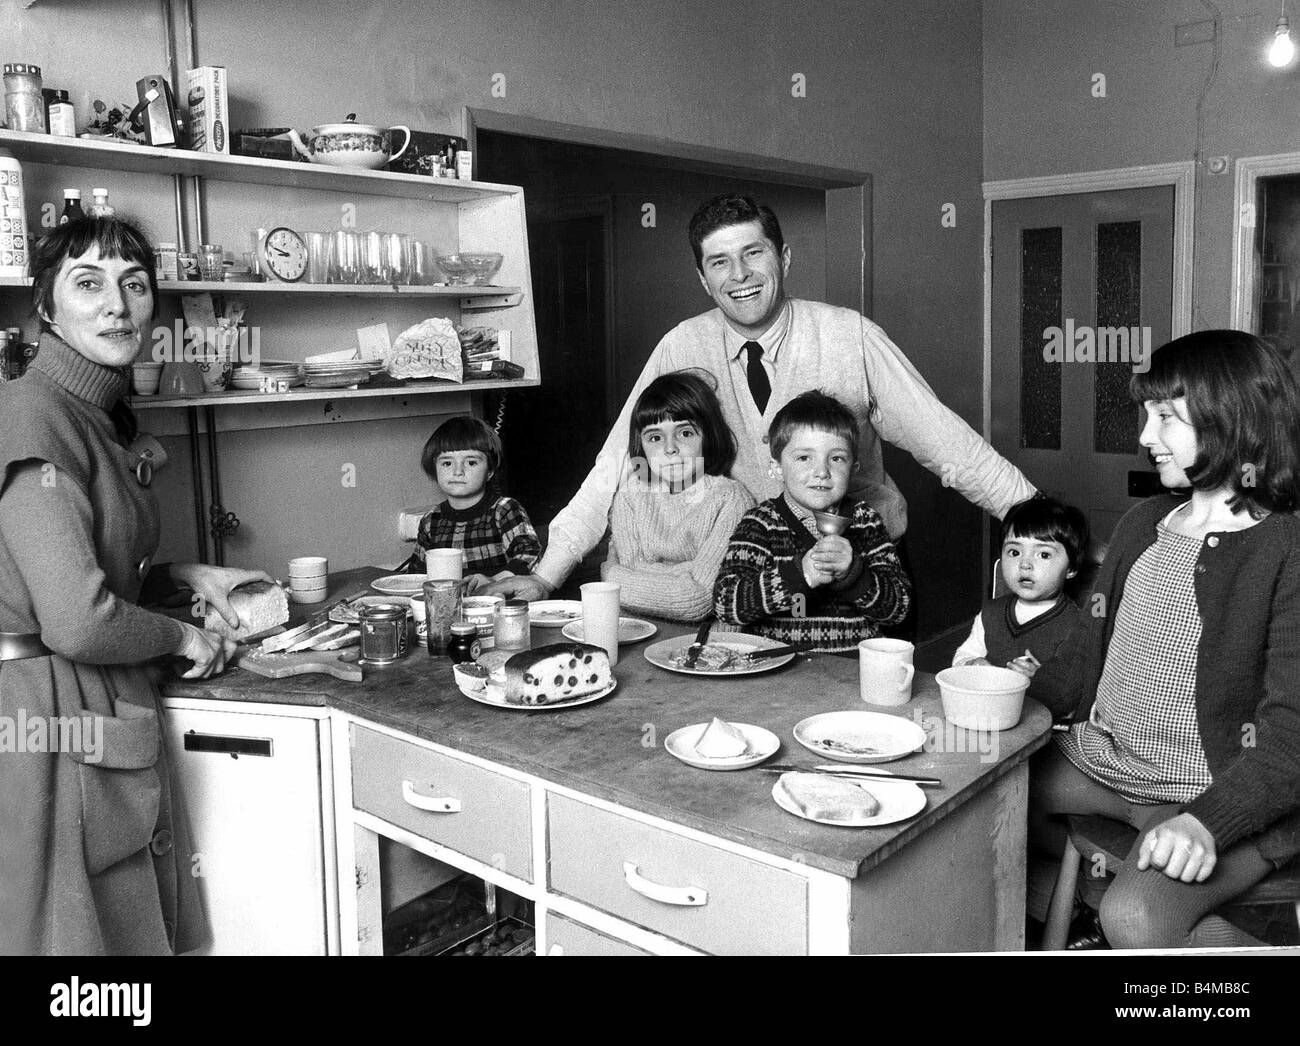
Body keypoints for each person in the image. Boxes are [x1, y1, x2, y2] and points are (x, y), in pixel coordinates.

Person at [485, 192, 1035, 603]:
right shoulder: (682, 346)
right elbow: (616, 468)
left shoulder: (850, 336)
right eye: (719, 261)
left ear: (784, 258)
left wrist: (1038, 519)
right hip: (745, 584)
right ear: (703, 278)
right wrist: (545, 573)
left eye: (754, 254)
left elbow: (949, 445)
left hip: (856, 569)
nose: (739, 275)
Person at [0, 217, 273, 955]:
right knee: (70, 952)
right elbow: (77, 621)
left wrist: (185, 574)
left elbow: (73, 558)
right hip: (49, 712)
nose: (116, 305)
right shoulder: (35, 414)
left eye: (134, 284)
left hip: (75, 701)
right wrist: (184, 633)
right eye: (87, 284)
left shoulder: (89, 411)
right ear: (47, 311)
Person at [1030, 331, 1300, 950]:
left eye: (1166, 418)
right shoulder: (1146, 520)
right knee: (973, 790)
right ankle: (1099, 919)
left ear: (1232, 421)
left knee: (1135, 917)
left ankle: (1116, 926)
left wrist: (1206, 822)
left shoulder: (1285, 547)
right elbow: (1085, 654)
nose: (1147, 437)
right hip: (1103, 763)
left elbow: (1292, 729)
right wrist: (1000, 701)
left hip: (1205, 793)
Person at [713, 391, 911, 652]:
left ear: (854, 468)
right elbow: (726, 605)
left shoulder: (866, 521)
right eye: (804, 457)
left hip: (853, 672)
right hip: (776, 671)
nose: (821, 472)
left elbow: (898, 610)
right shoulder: (760, 524)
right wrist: (800, 576)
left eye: (836, 458)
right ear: (777, 467)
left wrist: (855, 574)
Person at [600, 370, 753, 621]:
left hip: (707, 640)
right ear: (641, 445)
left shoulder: (731, 499)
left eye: (685, 433)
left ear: (709, 435)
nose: (670, 448)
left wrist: (614, 578)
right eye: (655, 437)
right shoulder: (630, 495)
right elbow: (638, 576)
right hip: (635, 628)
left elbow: (700, 599)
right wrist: (685, 574)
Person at [952, 496, 1088, 696]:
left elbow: (1075, 691)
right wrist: (970, 664)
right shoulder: (991, 612)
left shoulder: (1075, 625)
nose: (1025, 564)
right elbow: (964, 654)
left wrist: (1039, 680)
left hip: (1041, 721)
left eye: (1043, 555)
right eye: (1014, 552)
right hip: (988, 710)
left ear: (1071, 568)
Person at [399, 416, 542, 594]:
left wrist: (494, 581)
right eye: (447, 463)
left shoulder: (504, 509)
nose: (458, 471)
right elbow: (418, 573)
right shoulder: (431, 519)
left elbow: (529, 554)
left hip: (495, 605)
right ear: (434, 470)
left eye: (471, 462)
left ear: (489, 471)